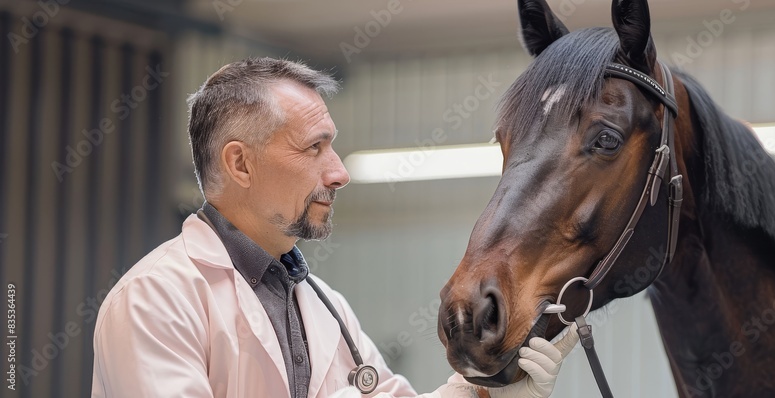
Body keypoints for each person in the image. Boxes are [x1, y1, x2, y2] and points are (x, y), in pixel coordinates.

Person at [91, 57, 578, 398]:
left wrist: (493, 392)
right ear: (240, 164)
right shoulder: (155, 300)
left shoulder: (323, 305)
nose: (339, 173)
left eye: (334, 147)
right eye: (314, 148)